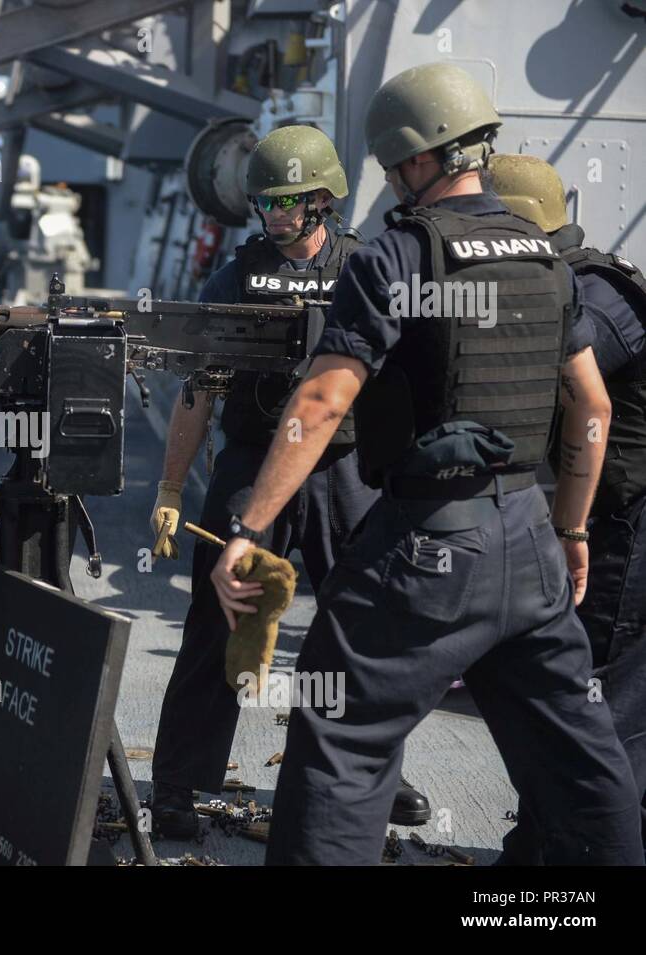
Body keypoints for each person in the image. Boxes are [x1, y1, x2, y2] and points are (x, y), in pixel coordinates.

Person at [210, 62, 642, 864]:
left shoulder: (395, 255)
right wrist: (571, 530)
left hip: (429, 545)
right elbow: (592, 409)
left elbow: (320, 405)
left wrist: (248, 529)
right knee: (580, 761)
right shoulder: (547, 258)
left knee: (340, 732)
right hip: (531, 548)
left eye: (390, 165)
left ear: (414, 158)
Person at [148, 124, 429, 839]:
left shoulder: (368, 265)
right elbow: (199, 388)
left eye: (289, 201)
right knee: (219, 617)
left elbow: (413, 378)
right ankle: (181, 784)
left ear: (324, 200)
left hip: (347, 467)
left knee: (366, 628)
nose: (275, 214)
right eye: (266, 201)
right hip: (254, 462)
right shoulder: (236, 276)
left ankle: (373, 776)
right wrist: (172, 489)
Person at [490, 153, 646, 863]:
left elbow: (570, 383)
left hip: (627, 530)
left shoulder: (597, 291)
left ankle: (565, 859)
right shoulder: (568, 280)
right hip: (612, 521)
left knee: (601, 703)